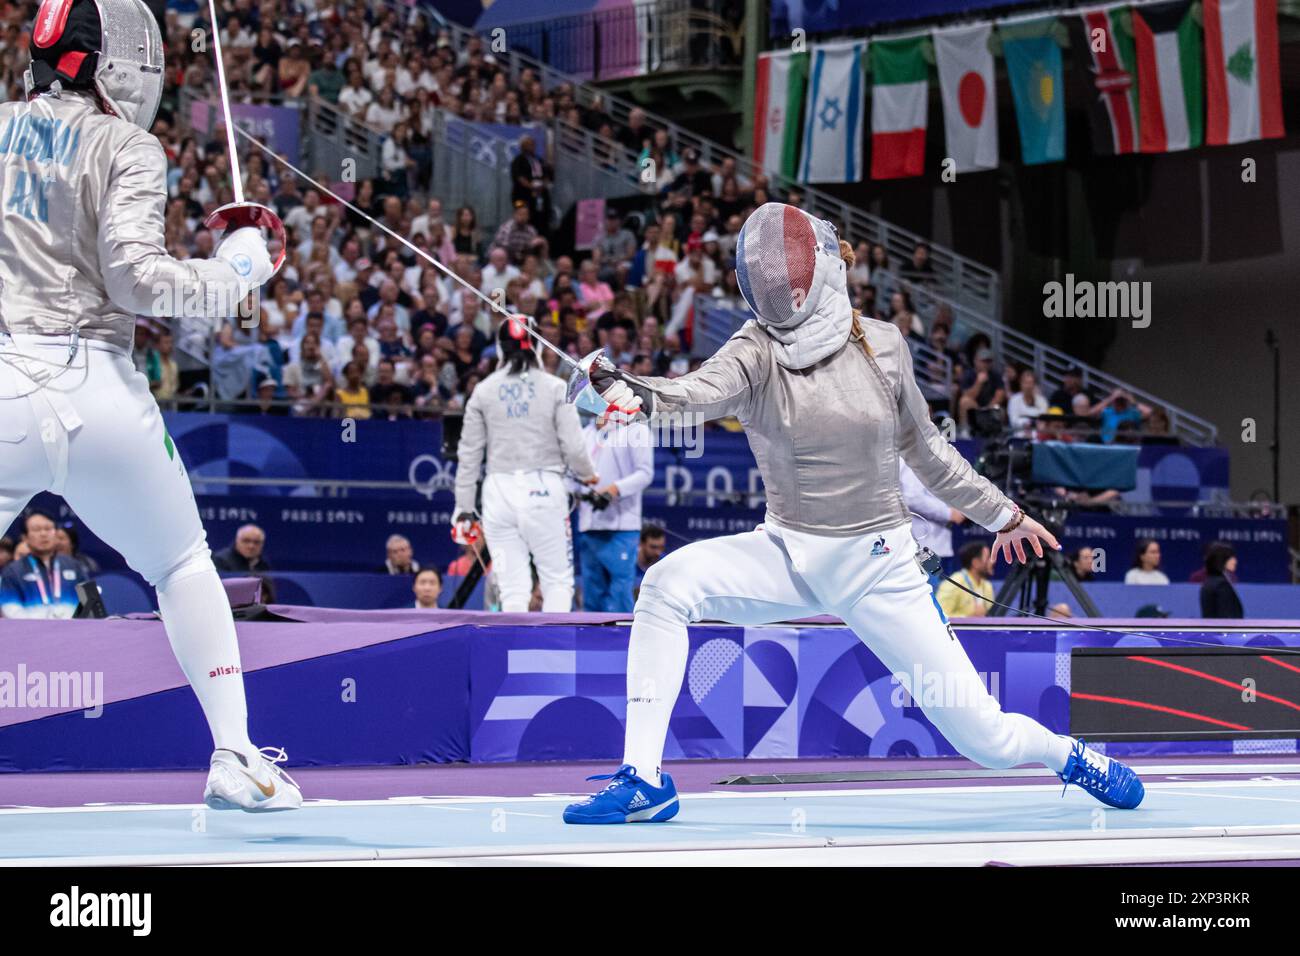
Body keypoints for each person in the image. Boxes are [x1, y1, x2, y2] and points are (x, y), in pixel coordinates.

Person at [565, 204, 1143, 824]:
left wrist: (1004, 515)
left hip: (880, 571)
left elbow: (929, 452)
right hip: (788, 556)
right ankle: (644, 779)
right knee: (665, 586)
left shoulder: (885, 346)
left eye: (785, 275)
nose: (776, 288)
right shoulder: (755, 350)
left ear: (820, 269)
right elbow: (697, 392)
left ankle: (1070, 756)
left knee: (988, 742)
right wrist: (635, 393)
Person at [0, 0, 298, 809]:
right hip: (101, 392)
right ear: (117, 64)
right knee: (179, 564)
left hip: (5, 386)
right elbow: (135, 279)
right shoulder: (127, 143)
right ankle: (236, 755)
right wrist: (238, 268)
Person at [452, 316, 598, 612]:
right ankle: (554, 652)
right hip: (543, 490)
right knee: (557, 581)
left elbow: (468, 455)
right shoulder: (556, 388)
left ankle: (512, 653)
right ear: (534, 345)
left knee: (512, 589)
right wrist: (588, 474)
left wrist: (463, 508)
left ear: (500, 348)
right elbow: (573, 445)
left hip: (499, 494)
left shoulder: (484, 390)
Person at [577, 411, 654, 612]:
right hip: (589, 524)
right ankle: (591, 641)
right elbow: (572, 476)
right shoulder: (584, 434)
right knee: (592, 596)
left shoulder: (636, 430)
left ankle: (623, 642)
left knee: (620, 595)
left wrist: (614, 489)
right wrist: (577, 492)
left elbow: (645, 473)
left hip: (621, 526)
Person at [0, 510, 88, 619]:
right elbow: (9, 609)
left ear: (56, 533)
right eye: (36, 529)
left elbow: (90, 603)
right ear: (25, 538)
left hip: (74, 631)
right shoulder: (12, 571)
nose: (43, 534)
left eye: (48, 529)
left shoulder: (75, 566)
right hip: (29, 633)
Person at [898, 459, 963, 570]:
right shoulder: (911, 457)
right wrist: (948, 513)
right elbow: (913, 498)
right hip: (924, 546)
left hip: (936, 545)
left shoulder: (926, 455)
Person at [935, 540, 995, 619]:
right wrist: (968, 618)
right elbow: (939, 616)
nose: (993, 561)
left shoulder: (988, 586)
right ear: (975, 563)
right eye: (988, 558)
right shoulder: (954, 584)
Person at [1200, 542, 1244, 619]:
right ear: (1222, 559)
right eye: (1232, 558)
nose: (1235, 561)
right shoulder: (1221, 585)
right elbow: (1225, 618)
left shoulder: (1210, 581)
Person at [633, 523, 667, 600]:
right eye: (653, 547)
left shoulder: (666, 562)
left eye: (661, 547)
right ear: (641, 544)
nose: (658, 552)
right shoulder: (628, 563)